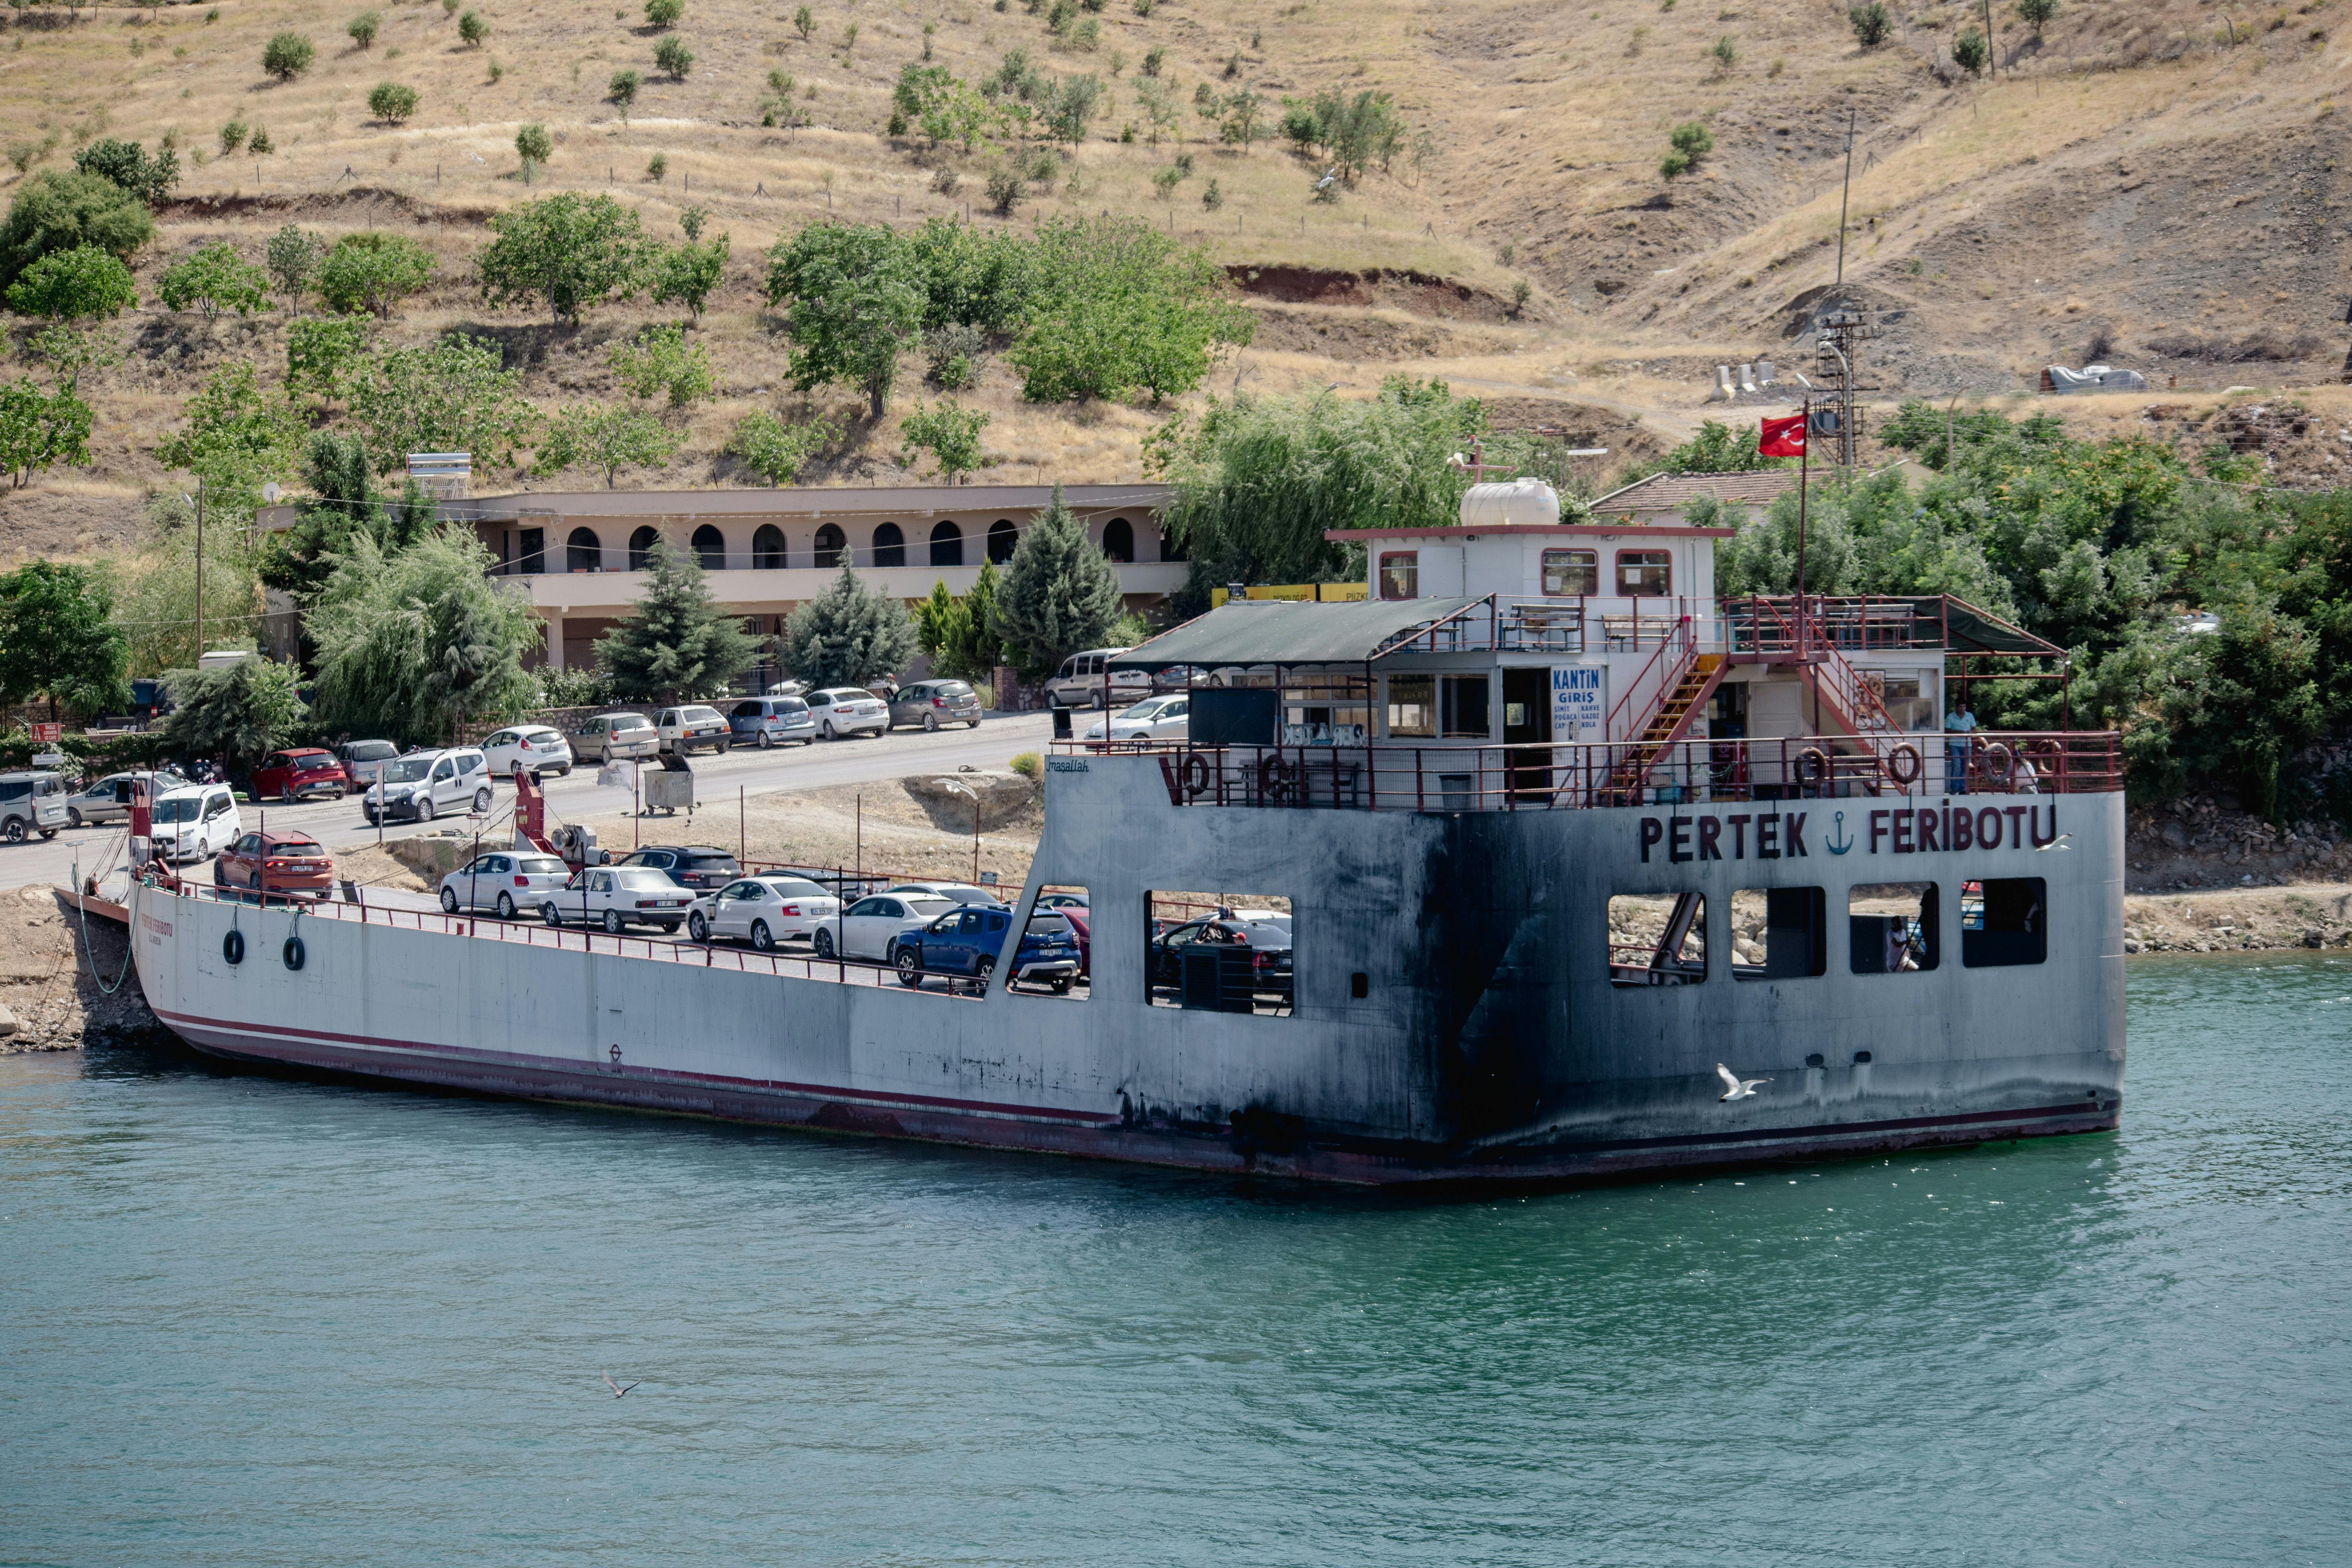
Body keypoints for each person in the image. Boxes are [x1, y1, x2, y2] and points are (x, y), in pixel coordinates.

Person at [1945, 702, 1978, 795]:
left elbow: (1974, 729)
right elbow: (1947, 730)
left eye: (1964, 706)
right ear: (1956, 707)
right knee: (1956, 765)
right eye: (1961, 706)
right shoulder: (1951, 717)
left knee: (1965, 766)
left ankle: (1963, 788)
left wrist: (1970, 732)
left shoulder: (1970, 716)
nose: (1963, 708)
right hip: (1954, 745)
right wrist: (1961, 732)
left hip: (1967, 745)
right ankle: (1955, 787)